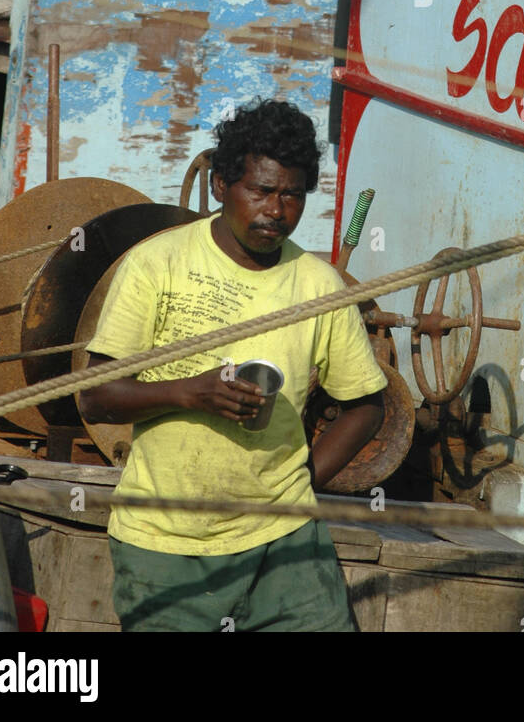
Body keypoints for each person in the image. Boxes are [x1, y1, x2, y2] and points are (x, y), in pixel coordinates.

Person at [79, 98, 386, 632]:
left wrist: (302, 482)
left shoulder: (318, 285)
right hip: (165, 542)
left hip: (285, 541)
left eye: (292, 195)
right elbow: (96, 397)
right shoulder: (158, 264)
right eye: (261, 190)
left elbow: (365, 406)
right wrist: (189, 393)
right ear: (221, 186)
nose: (276, 210)